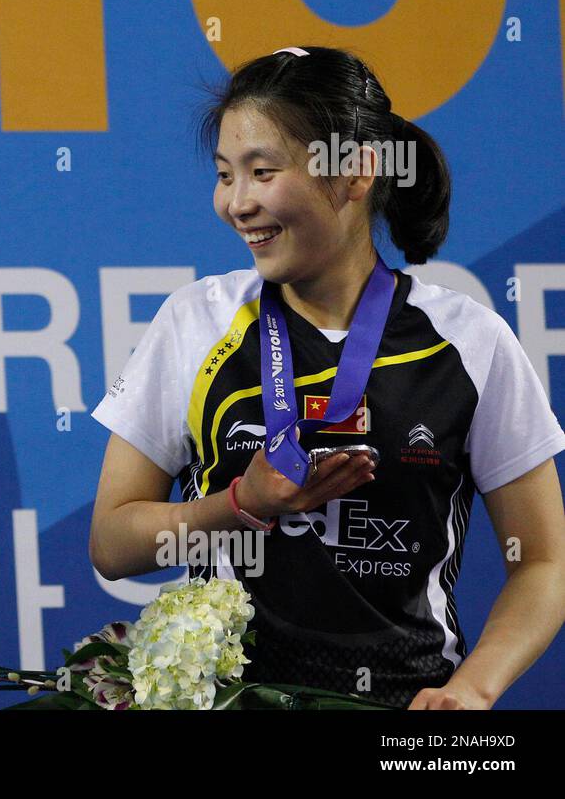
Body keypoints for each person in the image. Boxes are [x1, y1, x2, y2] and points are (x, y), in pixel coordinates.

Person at [89, 45, 565, 709]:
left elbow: (542, 563)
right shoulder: (193, 324)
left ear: (356, 172)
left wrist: (474, 690)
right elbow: (111, 545)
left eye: (263, 171)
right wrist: (242, 505)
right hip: (230, 703)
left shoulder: (472, 343)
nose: (236, 203)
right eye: (227, 175)